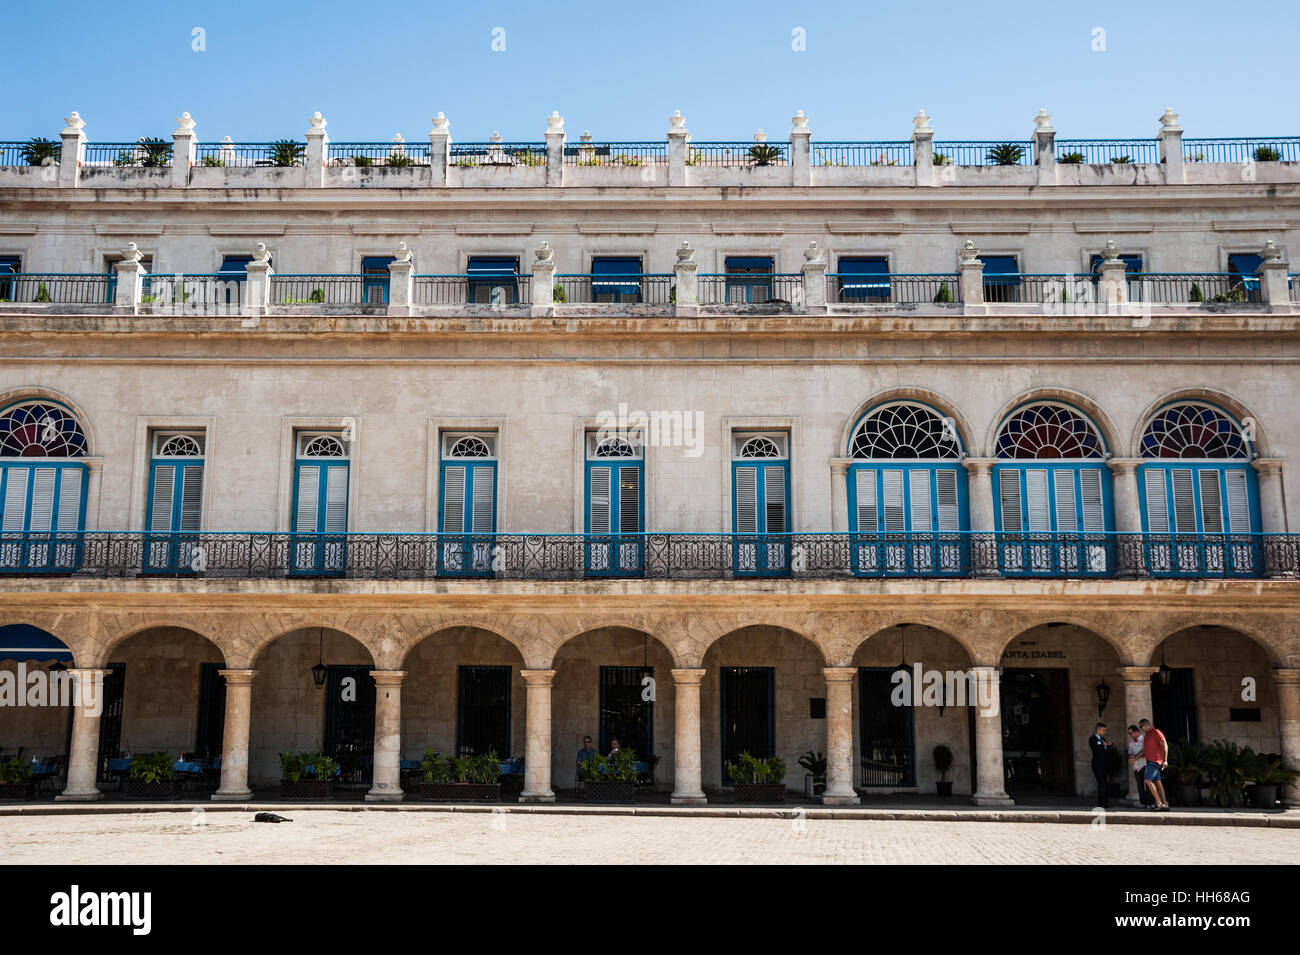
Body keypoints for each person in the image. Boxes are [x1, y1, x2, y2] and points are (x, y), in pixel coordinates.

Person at [1138, 718, 1170, 811]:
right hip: (1149, 761)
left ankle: (1159, 803)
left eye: (1141, 727)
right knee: (1158, 783)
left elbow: (1165, 744)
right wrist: (1135, 758)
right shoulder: (1146, 736)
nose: (1141, 729)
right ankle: (1165, 804)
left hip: (1154, 761)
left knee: (1147, 780)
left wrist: (1165, 760)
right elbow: (1145, 750)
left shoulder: (1156, 732)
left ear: (1145, 725)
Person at [1126, 724, 1153, 806]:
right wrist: (1130, 758)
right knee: (1140, 785)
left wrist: (1135, 758)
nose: (1130, 735)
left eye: (1131, 733)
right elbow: (1130, 753)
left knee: (1148, 785)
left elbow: (1146, 752)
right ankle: (1143, 803)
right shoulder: (1131, 743)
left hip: (1146, 765)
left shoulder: (1145, 740)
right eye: (1129, 734)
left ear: (1137, 732)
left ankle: (1151, 803)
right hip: (1137, 767)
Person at [1088, 722, 1113, 808]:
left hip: (1104, 765)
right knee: (1101, 784)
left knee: (1104, 784)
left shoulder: (1103, 739)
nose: (1104, 732)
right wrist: (1104, 745)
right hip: (1098, 765)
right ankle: (1103, 803)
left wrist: (1109, 744)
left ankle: (1103, 802)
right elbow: (1096, 749)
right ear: (1098, 729)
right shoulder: (1092, 739)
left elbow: (1109, 747)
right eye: (1103, 730)